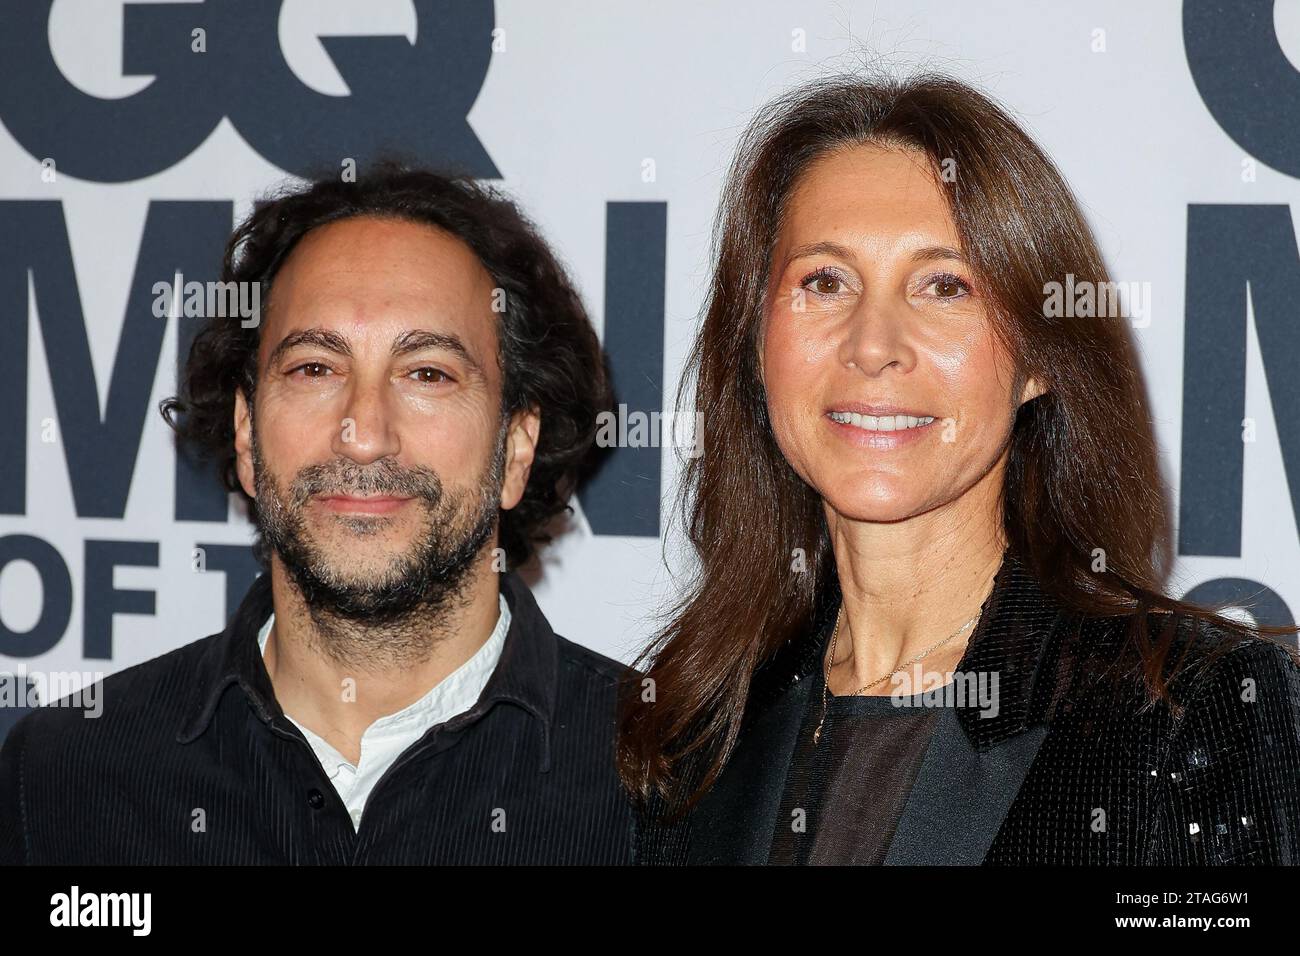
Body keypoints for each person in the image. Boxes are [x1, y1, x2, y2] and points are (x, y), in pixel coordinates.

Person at [620, 73, 1300, 865]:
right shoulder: (697, 725)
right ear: (755, 340)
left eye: (945, 287)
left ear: (1040, 357)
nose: (873, 345)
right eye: (825, 281)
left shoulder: (1192, 711)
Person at [0, 163, 634, 864]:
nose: (363, 432)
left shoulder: (667, 788)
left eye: (427, 372)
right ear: (246, 432)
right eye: (313, 368)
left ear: (516, 446)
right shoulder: (65, 781)